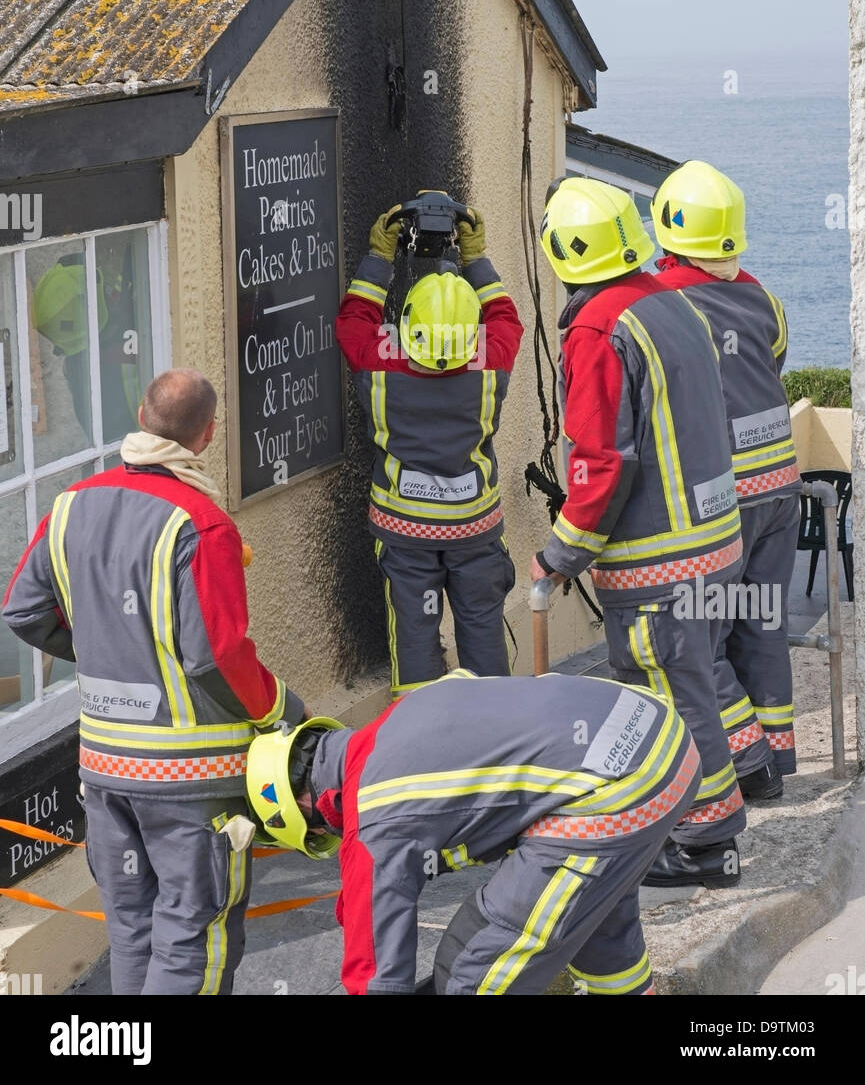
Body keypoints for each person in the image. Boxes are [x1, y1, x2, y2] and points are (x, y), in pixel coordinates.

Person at [2, 369, 307, 996]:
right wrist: (281, 708)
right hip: (189, 781)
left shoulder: (69, 505)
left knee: (132, 933)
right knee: (193, 936)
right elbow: (215, 657)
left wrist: (99, 649)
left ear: (141, 415)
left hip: (103, 768)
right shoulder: (202, 523)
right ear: (208, 435)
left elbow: (23, 612)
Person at [531, 176, 746, 889]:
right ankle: (705, 826)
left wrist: (560, 554)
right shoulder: (667, 303)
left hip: (661, 562)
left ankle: (703, 841)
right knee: (697, 684)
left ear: (564, 254)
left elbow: (599, 461)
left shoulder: (598, 329)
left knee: (670, 697)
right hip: (714, 542)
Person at [246, 669, 702, 996]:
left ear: (306, 808)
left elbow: (375, 972)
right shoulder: (404, 712)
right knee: (594, 915)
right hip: (662, 737)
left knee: (475, 963)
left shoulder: (371, 821)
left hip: (619, 790)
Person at [651, 161, 801, 795]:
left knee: (699, 640)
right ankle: (780, 752)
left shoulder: (665, 304)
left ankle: (747, 764)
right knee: (762, 625)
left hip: (724, 501)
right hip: (782, 490)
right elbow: (775, 362)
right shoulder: (762, 295)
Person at [335, 202, 523, 695]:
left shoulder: (378, 359)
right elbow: (506, 315)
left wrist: (381, 255)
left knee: (415, 633)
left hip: (405, 532)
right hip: (475, 529)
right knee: (482, 625)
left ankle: (419, 742)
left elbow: (354, 319)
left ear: (409, 321)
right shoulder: (491, 358)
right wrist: (475, 256)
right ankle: (496, 733)